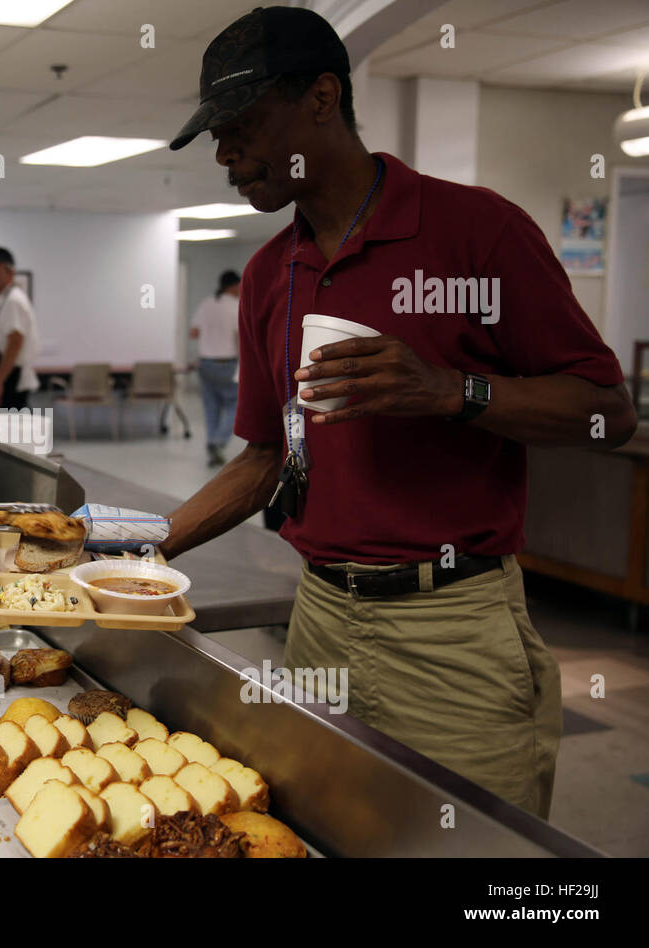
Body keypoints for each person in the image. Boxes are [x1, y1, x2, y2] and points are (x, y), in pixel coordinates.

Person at [159, 7, 637, 819]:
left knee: (476, 853)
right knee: (334, 830)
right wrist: (124, 559)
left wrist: (453, 391)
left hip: (455, 628)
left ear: (320, 99)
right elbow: (266, 456)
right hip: (316, 619)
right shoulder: (272, 272)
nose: (225, 154)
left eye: (242, 125)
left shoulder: (477, 232)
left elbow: (607, 410)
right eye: (215, 136)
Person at [0, 246, 39, 410]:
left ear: (10, 272)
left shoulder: (13, 301)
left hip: (11, 384)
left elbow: (15, 342)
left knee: (6, 433)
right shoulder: (4, 300)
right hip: (5, 381)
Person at [190, 270, 241, 465]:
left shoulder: (206, 303)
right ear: (233, 286)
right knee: (233, 404)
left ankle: (211, 441)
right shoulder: (236, 306)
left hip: (205, 363)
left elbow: (193, 333)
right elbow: (239, 337)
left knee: (211, 407)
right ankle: (219, 441)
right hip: (226, 363)